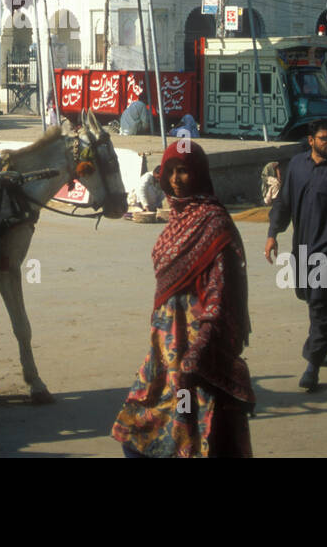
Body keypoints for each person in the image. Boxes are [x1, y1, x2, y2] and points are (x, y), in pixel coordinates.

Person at [112, 141, 254, 457]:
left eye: (184, 171)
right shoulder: (177, 219)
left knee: (190, 428)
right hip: (163, 353)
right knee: (137, 430)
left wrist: (198, 350)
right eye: (171, 171)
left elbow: (219, 293)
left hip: (194, 351)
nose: (177, 179)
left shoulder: (214, 222)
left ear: (199, 174)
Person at [265, 119, 327, 392]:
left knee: (320, 306)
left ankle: (313, 364)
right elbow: (284, 202)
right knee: (318, 301)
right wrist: (273, 233)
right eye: (323, 139)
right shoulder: (297, 165)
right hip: (303, 248)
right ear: (311, 141)